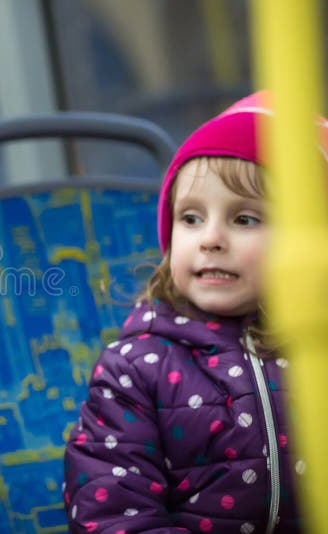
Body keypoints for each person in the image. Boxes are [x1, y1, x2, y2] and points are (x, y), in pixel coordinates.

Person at [64, 92, 320, 532]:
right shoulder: (137, 369)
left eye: (245, 219)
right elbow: (113, 513)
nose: (211, 239)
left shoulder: (315, 349)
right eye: (191, 218)